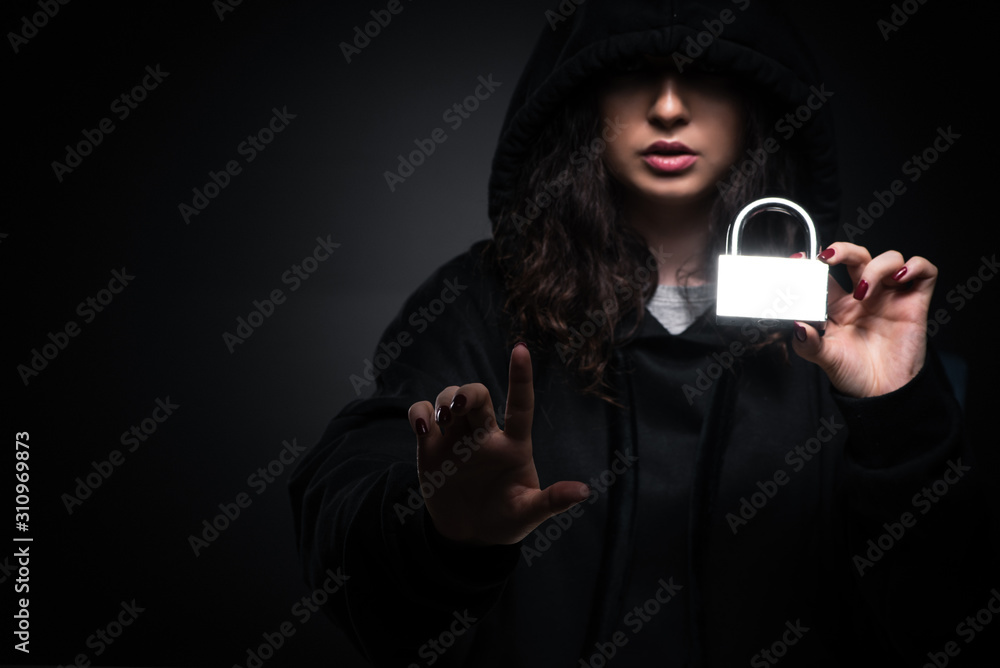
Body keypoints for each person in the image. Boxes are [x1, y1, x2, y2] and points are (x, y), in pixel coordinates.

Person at [290, 0, 996, 665]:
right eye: (634, 75)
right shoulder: (476, 304)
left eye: (704, 73)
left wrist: (896, 418)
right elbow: (346, 532)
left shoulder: (846, 319)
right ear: (584, 97)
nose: (667, 106)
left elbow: (944, 617)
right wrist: (436, 532)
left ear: (758, 97)